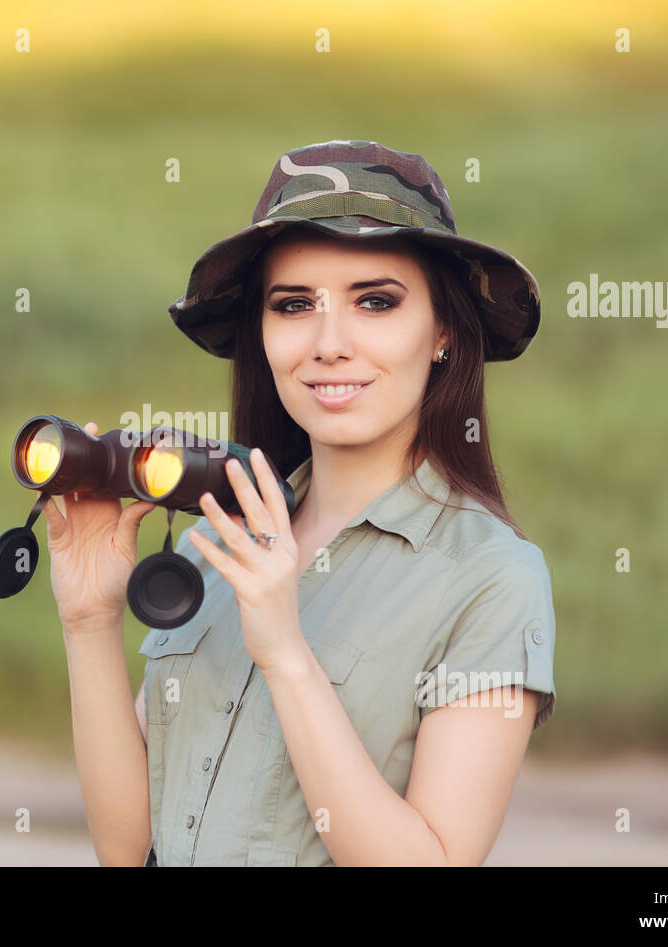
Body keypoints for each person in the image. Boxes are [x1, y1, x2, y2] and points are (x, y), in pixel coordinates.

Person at [45, 139, 555, 866]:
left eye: (375, 302)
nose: (328, 343)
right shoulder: (216, 544)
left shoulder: (491, 579)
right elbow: (127, 848)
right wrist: (90, 622)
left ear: (443, 330)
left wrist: (286, 652)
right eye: (293, 305)